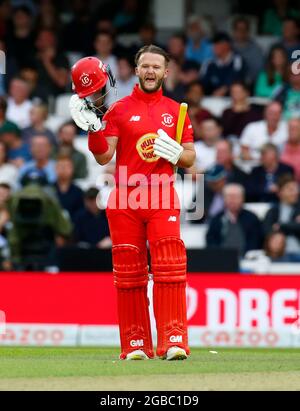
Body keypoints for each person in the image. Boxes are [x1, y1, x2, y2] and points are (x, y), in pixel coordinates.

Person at [69, 46, 195, 361]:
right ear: (136, 71)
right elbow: (103, 156)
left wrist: (177, 153)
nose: (150, 71)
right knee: (129, 274)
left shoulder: (176, 110)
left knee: (170, 268)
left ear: (167, 72)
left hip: (161, 193)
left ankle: (173, 340)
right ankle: (135, 344)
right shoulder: (118, 110)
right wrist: (94, 130)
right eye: (145, 66)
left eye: (156, 66)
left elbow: (191, 157)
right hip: (125, 195)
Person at [206, 183, 263, 255]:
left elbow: (256, 241)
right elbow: (211, 242)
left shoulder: (252, 218)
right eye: (229, 196)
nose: (232, 200)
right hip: (221, 260)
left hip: (247, 259)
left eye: (236, 196)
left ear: (243, 198)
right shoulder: (216, 219)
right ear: (224, 199)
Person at [240, 101, 288, 167]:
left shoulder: (287, 129)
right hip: (253, 166)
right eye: (271, 113)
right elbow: (244, 152)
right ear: (265, 113)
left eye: (277, 113)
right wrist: (262, 159)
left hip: (278, 168)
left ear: (281, 115)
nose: (274, 116)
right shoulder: (252, 127)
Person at [200, 32, 246, 96]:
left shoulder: (237, 60)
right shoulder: (209, 63)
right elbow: (203, 82)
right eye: (213, 44)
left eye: (217, 44)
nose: (213, 47)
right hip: (211, 99)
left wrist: (223, 89)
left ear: (227, 45)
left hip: (232, 99)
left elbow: (237, 78)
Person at [263, 175, 300, 254]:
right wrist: (293, 225)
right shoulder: (272, 211)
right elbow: (266, 231)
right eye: (290, 189)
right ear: (280, 192)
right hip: (276, 254)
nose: (295, 192)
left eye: (297, 189)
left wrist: (280, 226)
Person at [232, 16, 264, 85]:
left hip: (250, 85)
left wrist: (246, 82)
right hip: (229, 85)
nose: (241, 31)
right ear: (234, 31)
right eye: (238, 29)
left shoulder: (256, 49)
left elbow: (258, 70)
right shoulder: (228, 47)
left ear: (248, 31)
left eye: (244, 29)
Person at [54, 155, 84, 222]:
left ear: (72, 169)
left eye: (67, 166)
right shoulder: (48, 190)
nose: (63, 169)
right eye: (61, 166)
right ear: (55, 169)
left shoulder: (79, 192)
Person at [281, 118, 300, 182]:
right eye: (291, 128)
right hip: (283, 185)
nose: (293, 131)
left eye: (296, 129)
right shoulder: (280, 147)